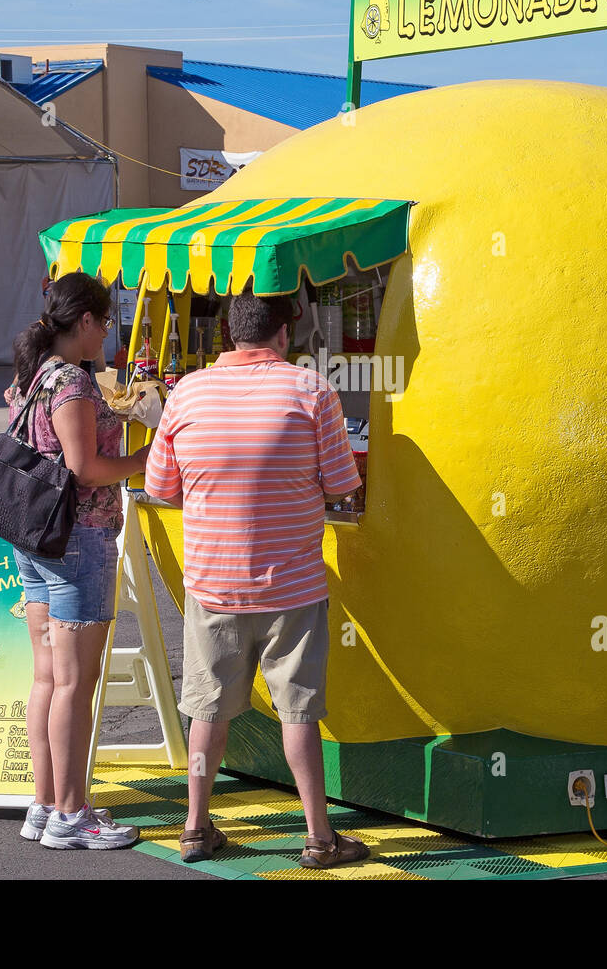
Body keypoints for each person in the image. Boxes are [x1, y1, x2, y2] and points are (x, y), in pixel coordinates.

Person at [142, 289, 370, 869]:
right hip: (291, 587)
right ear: (283, 335)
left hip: (213, 584)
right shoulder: (311, 391)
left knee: (208, 709)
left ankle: (195, 826)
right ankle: (319, 837)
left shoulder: (187, 393)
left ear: (228, 336)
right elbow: (344, 487)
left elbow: (162, 490)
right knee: (299, 712)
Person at [8, 272, 151, 849]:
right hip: (78, 539)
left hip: (36, 538)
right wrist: (142, 457)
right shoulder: (69, 382)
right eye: (106, 321)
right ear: (85, 321)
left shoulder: (33, 376)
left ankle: (44, 805)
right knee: (75, 683)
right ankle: (71, 814)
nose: (108, 333)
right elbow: (84, 469)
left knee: (48, 678)